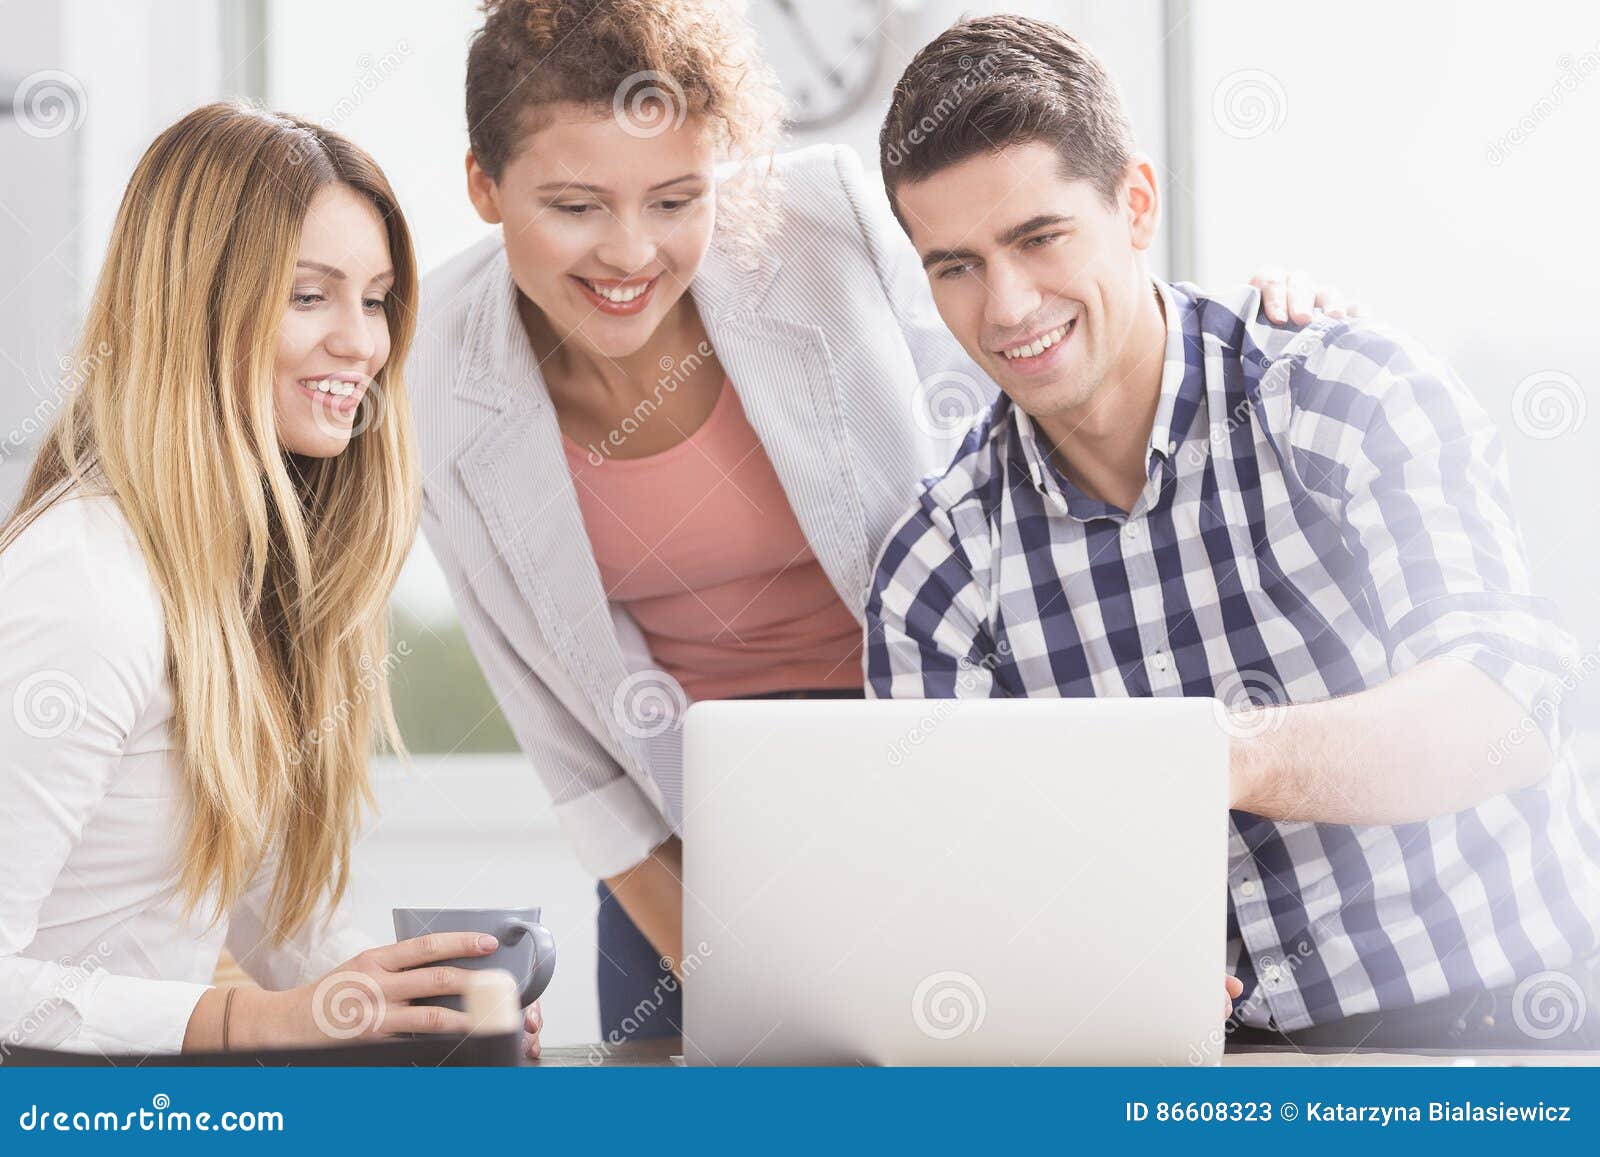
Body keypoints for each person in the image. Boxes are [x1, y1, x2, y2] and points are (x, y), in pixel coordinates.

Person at [413, 0, 1352, 1042]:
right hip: (682, 825)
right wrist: (754, 979)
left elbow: (1036, 377)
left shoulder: (820, 228)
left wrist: (1247, 331)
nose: (632, 250)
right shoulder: (435, 380)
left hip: (938, 753)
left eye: (676, 197)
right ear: (484, 189)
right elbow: (571, 752)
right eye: (576, 206)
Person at [864, 15, 1600, 1051]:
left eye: (1038, 238)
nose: (1007, 305)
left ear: (1134, 205)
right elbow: (963, 894)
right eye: (955, 266)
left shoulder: (1341, 397)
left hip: (1517, 1020)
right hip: (1213, 1069)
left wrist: (1223, 754)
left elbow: (1508, 711)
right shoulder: (935, 578)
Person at [0, 103, 542, 1060]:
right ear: (195, 307)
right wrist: (256, 1019)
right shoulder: (81, 586)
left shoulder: (236, 584)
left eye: (374, 299)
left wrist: (406, 999)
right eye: (309, 297)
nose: (361, 343)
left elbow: (256, 900)